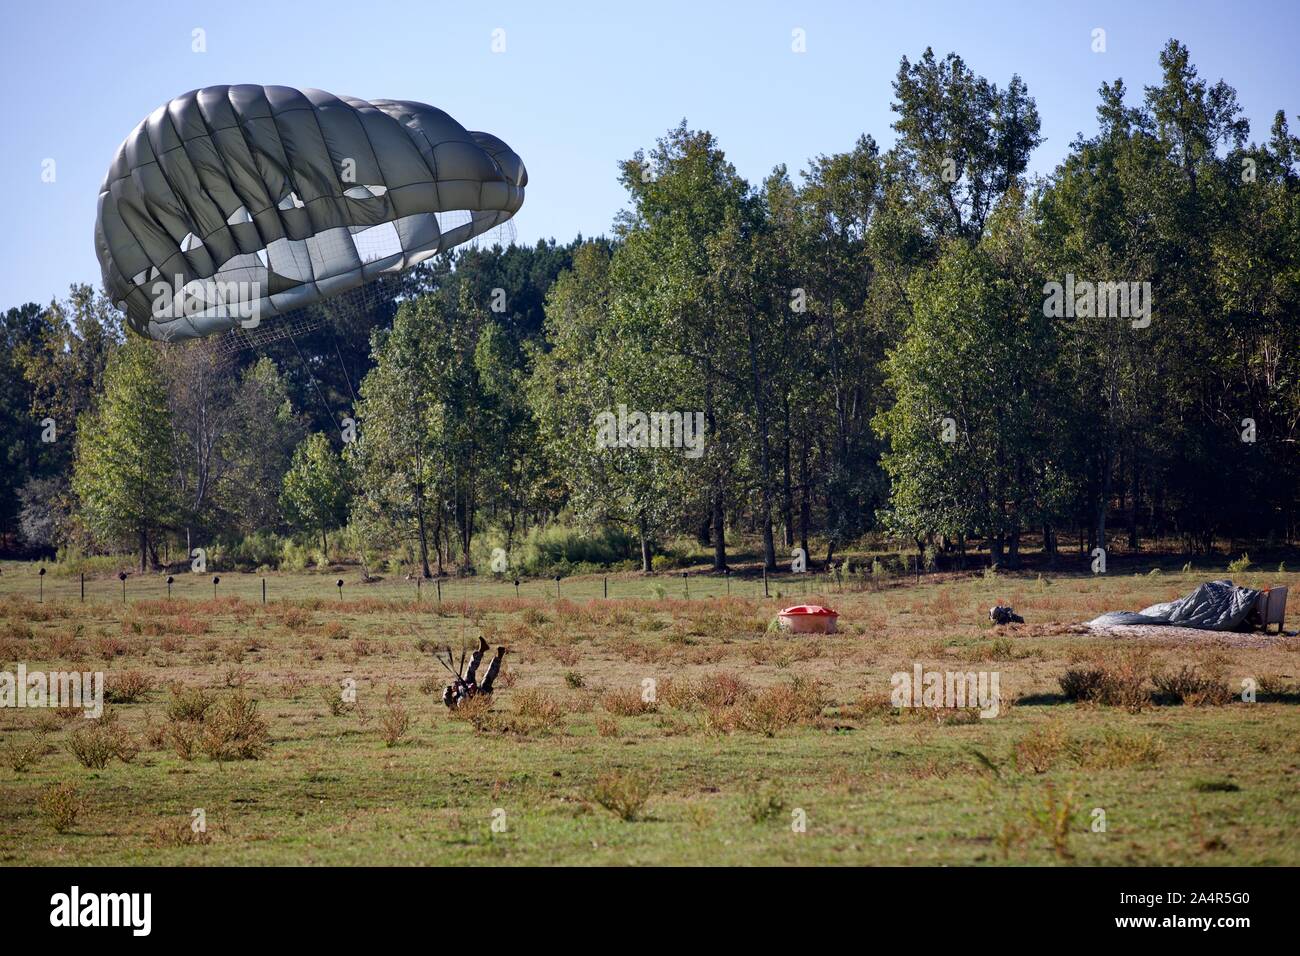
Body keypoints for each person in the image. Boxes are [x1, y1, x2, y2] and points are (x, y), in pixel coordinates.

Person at [442, 637, 507, 709]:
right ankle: (499, 656)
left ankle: (482, 649)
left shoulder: (453, 695)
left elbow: (451, 688)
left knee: (470, 671)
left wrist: (455, 685)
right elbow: (473, 698)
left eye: (452, 694)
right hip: (481, 697)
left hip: (467, 686)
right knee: (487, 680)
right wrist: (473, 691)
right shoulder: (462, 703)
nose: (453, 693)